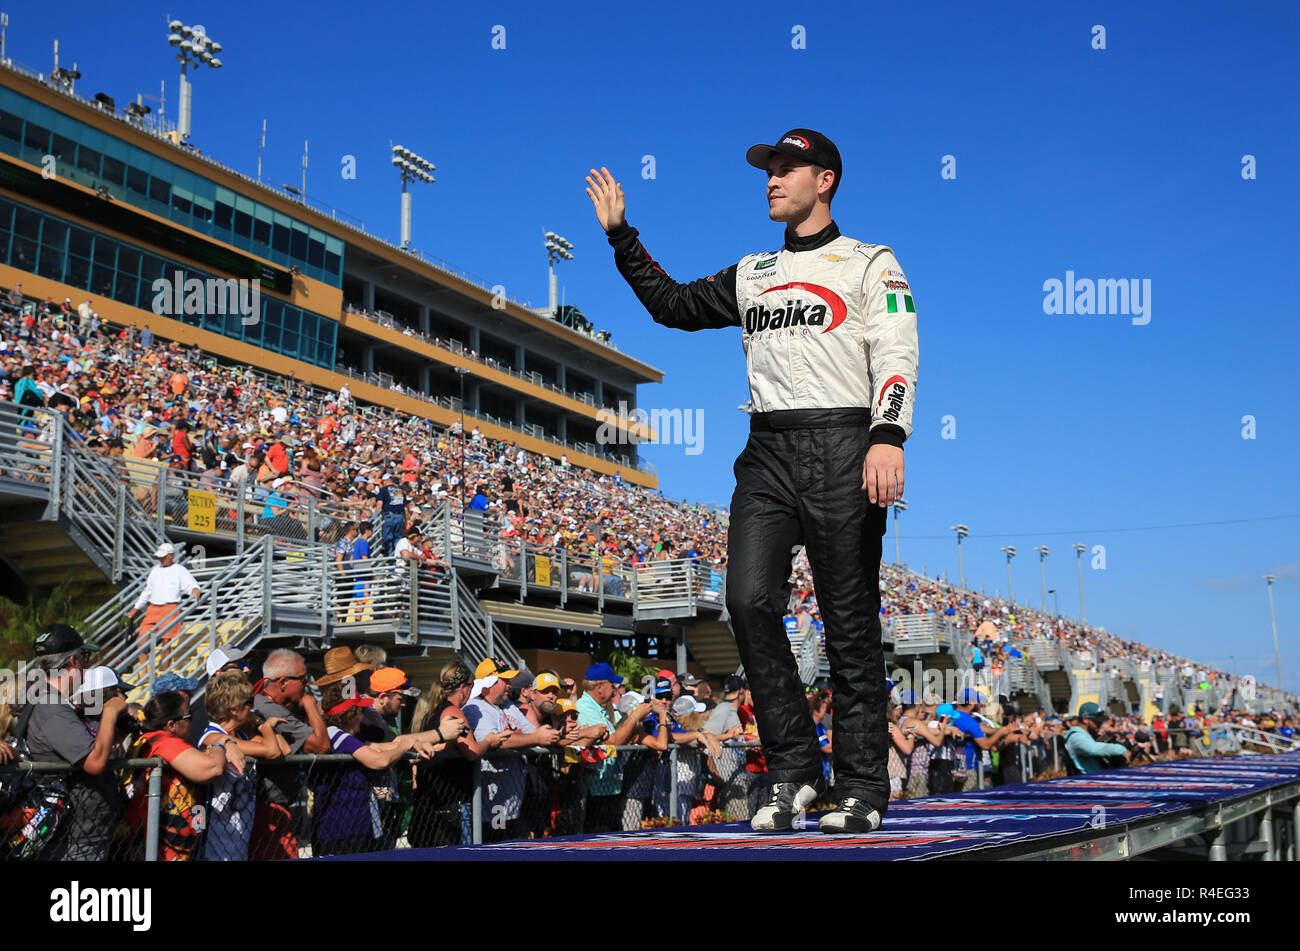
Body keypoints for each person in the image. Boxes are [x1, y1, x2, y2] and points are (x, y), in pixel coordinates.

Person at [588, 127, 918, 834]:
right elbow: (671, 304)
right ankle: (796, 770)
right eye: (768, 168)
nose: (772, 179)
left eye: (786, 167)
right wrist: (621, 237)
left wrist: (887, 434)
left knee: (849, 626)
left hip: (844, 440)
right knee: (746, 599)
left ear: (824, 179)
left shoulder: (871, 262)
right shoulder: (751, 272)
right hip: (766, 447)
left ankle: (861, 785)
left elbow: (897, 349)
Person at [21, 624, 128, 860]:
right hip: (72, 840)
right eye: (85, 657)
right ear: (74, 661)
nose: (87, 665)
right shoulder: (50, 707)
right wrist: (110, 713)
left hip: (81, 833)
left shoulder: (55, 702)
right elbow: (94, 762)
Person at [197, 671, 288, 861]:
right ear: (233, 709)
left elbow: (283, 749)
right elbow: (272, 751)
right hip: (217, 838)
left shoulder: (242, 735)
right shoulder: (213, 736)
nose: (253, 708)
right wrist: (264, 726)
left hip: (240, 835)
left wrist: (256, 724)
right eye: (249, 703)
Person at [125, 691, 226, 861]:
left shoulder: (147, 738)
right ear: (171, 725)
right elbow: (213, 768)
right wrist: (219, 744)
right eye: (189, 715)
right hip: (164, 843)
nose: (192, 721)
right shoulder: (163, 741)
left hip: (165, 834)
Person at [249, 649, 330, 859]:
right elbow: (321, 746)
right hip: (270, 810)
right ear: (283, 682)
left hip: (268, 806)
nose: (307, 686)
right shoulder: (271, 710)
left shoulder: (263, 703)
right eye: (303, 679)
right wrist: (311, 705)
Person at [125, 542, 201, 676]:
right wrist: (135, 609)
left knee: (166, 642)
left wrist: (195, 592)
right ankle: (144, 672)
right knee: (141, 639)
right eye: (160, 557)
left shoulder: (179, 570)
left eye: (164, 556)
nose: (161, 559)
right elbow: (147, 591)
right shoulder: (155, 570)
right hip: (153, 609)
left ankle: (166, 672)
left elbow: (192, 586)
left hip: (170, 608)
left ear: (171, 556)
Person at [1063, 702, 1131, 774]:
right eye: (1096, 721)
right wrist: (1122, 750)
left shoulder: (1088, 735)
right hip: (1083, 782)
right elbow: (1092, 749)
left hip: (1095, 779)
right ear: (1085, 720)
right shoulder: (1076, 736)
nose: (1100, 724)